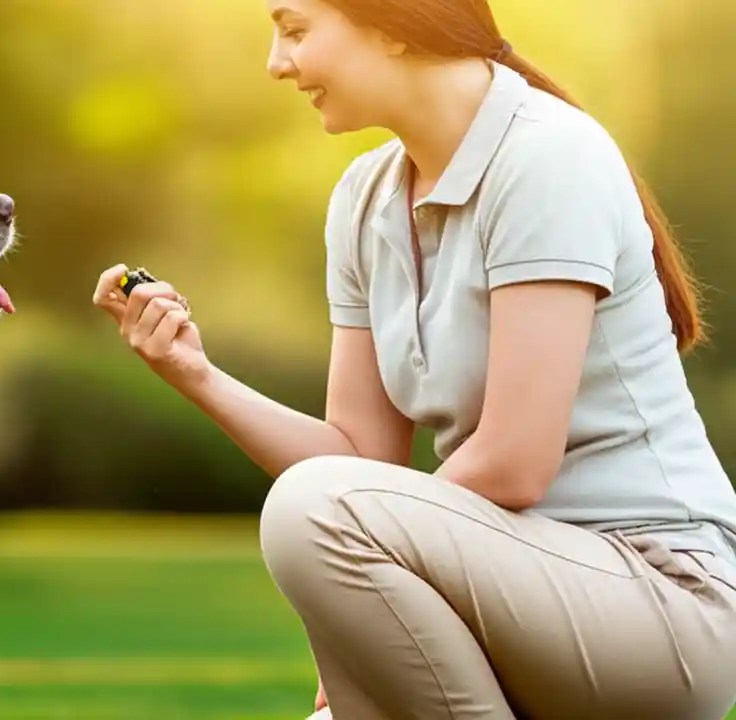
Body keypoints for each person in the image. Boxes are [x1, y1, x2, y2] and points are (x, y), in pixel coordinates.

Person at [90, 0, 736, 718]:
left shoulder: (548, 157)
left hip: (660, 602)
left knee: (314, 508)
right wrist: (194, 374)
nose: (277, 63)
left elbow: (513, 463)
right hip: (505, 594)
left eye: (296, 30)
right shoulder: (365, 200)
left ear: (395, 23)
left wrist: (354, 561)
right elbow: (360, 456)